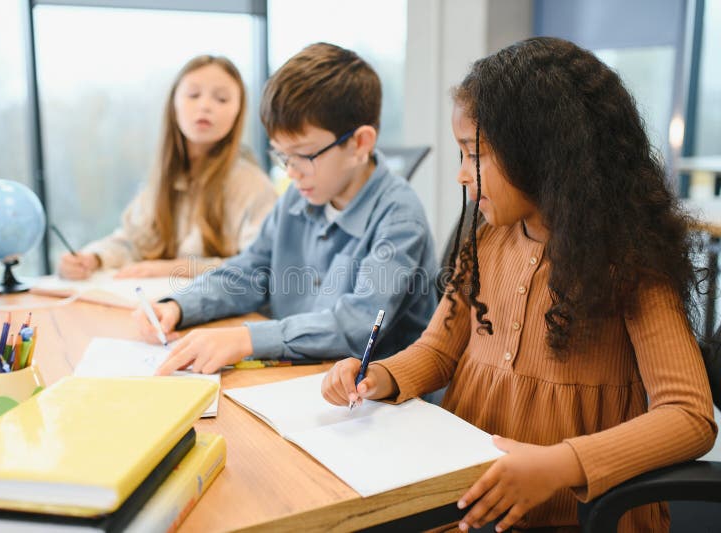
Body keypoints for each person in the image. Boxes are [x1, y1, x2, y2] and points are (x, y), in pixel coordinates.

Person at [321, 37, 717, 532]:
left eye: (474, 155)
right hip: (467, 500)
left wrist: (560, 465)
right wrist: (381, 375)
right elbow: (440, 350)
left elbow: (689, 417)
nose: (463, 176)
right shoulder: (484, 240)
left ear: (542, 153)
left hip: (579, 516)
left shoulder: (630, 260)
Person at [136, 42, 438, 374]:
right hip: (296, 377)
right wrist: (179, 306)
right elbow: (249, 272)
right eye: (282, 156)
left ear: (360, 143)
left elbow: (357, 326)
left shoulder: (399, 216)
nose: (291, 172)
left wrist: (246, 339)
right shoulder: (300, 195)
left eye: (304, 155)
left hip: (373, 401)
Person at [58, 55, 277, 280]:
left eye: (221, 99)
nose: (205, 106)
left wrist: (174, 268)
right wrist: (93, 258)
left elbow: (259, 267)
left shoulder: (253, 186)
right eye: (193, 95)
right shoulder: (164, 180)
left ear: (238, 112)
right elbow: (133, 242)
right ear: (174, 104)